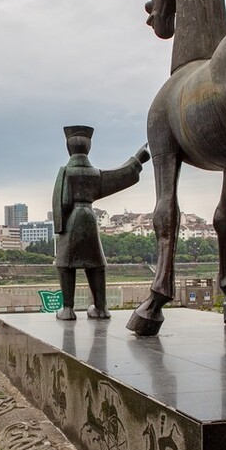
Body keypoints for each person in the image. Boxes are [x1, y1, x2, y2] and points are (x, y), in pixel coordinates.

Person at [52, 125, 150, 320]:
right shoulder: (95, 174)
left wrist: (59, 227)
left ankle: (68, 308)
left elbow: (60, 202)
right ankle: (101, 307)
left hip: (72, 219)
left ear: (68, 148)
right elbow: (122, 175)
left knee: (65, 263)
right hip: (89, 217)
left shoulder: (65, 172)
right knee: (96, 263)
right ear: (89, 148)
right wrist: (138, 160)